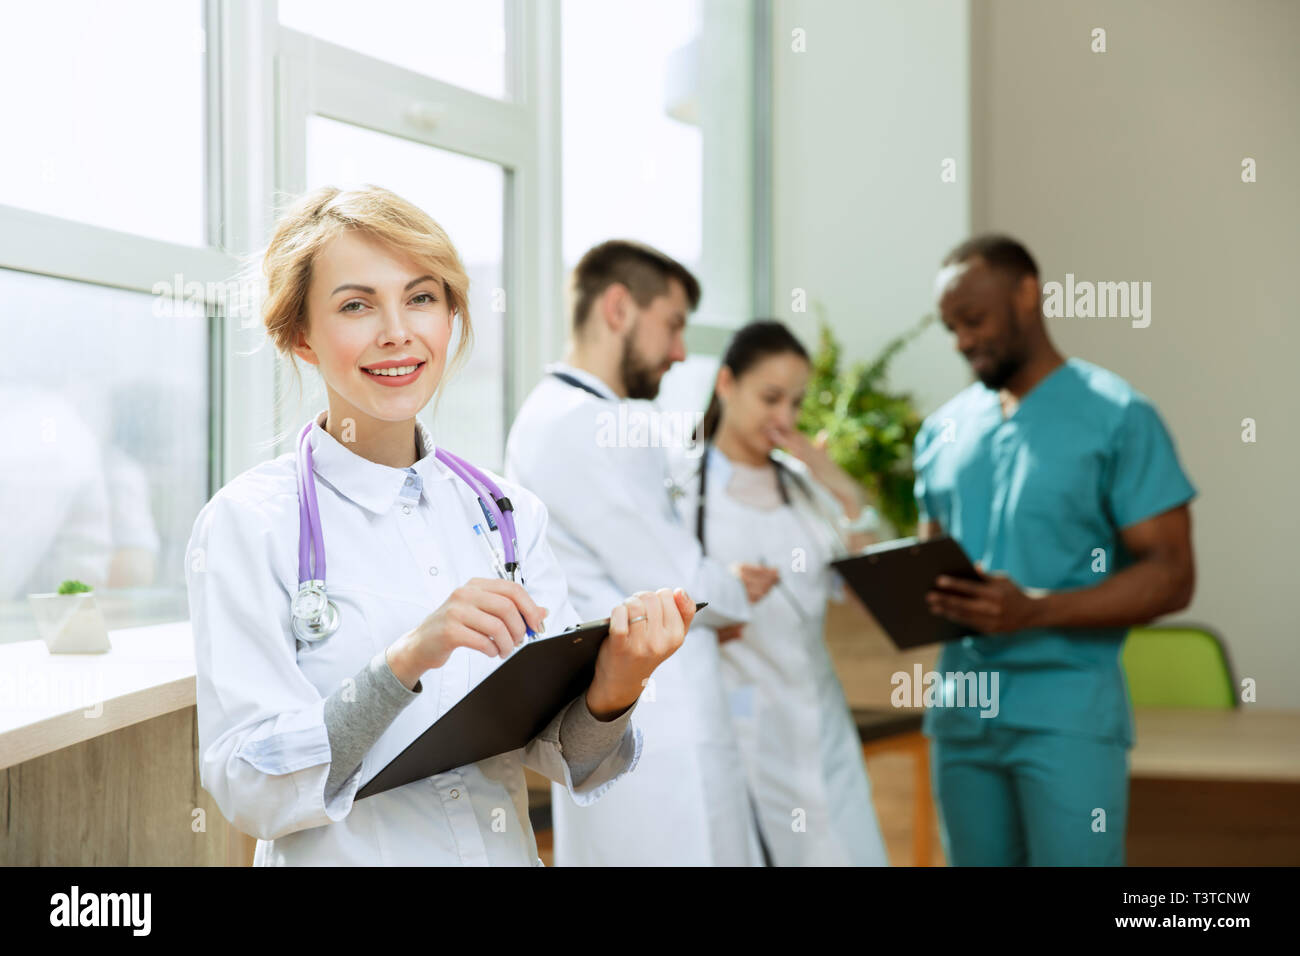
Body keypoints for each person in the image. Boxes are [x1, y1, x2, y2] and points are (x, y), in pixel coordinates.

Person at [184, 186, 696, 866]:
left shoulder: (509, 516)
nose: (397, 331)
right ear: (300, 334)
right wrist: (406, 660)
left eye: (422, 297)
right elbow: (250, 787)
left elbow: (561, 752)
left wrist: (619, 682)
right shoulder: (249, 525)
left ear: (450, 315)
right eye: (356, 304)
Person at [915, 234, 1197, 866]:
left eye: (975, 319)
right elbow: (933, 570)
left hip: (1065, 717)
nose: (963, 340)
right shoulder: (943, 432)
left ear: (1027, 295)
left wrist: (1033, 610)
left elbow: (1172, 576)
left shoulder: (1118, 417)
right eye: (951, 327)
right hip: (962, 718)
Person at [505, 239, 776, 865]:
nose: (681, 353)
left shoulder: (554, 414)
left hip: (630, 710)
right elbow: (678, 580)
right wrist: (737, 589)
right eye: (674, 326)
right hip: (658, 724)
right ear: (619, 308)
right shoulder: (586, 422)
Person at [679, 319, 890, 866]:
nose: (784, 418)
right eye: (770, 397)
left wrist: (831, 475)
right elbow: (650, 599)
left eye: (795, 403)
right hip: (738, 723)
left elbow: (875, 580)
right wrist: (718, 599)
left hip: (820, 723)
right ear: (726, 383)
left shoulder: (803, 487)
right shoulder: (679, 488)